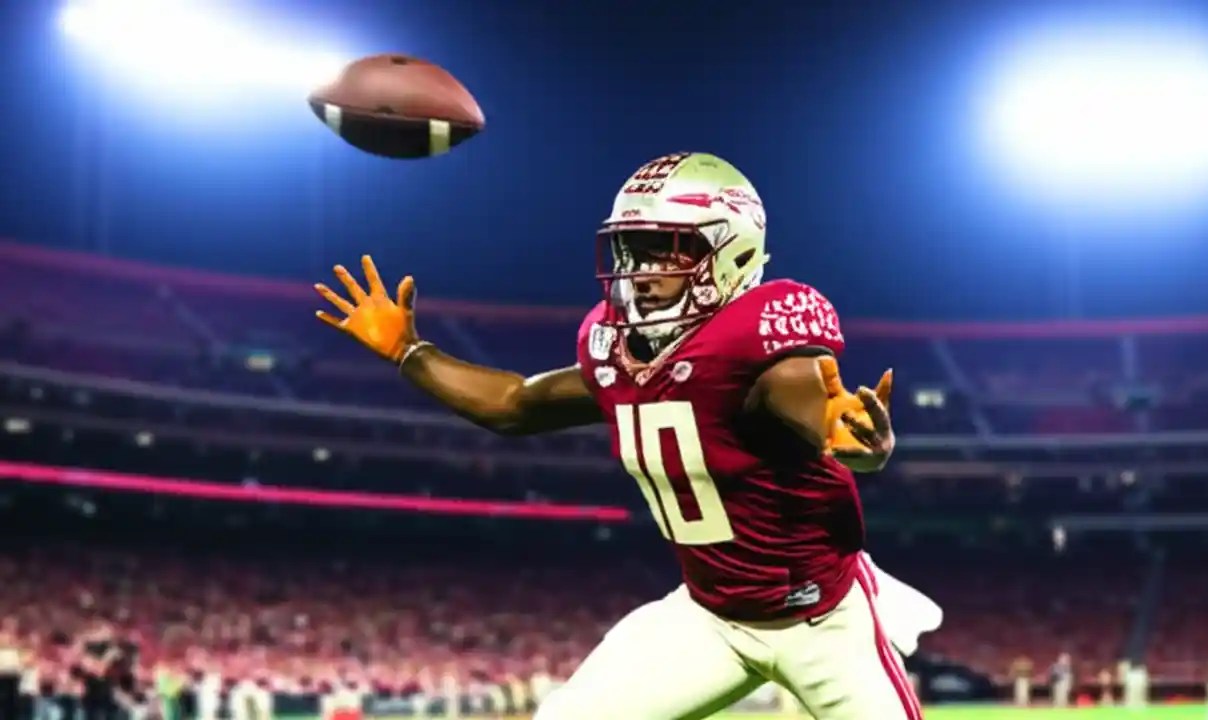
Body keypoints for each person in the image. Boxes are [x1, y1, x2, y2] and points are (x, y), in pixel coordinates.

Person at [315, 152, 918, 720]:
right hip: (709, 617)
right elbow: (515, 404)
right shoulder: (616, 354)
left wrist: (847, 431)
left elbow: (811, 399)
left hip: (821, 619)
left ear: (732, 253)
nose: (641, 272)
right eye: (632, 250)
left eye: (666, 251)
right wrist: (408, 351)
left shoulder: (760, 355)